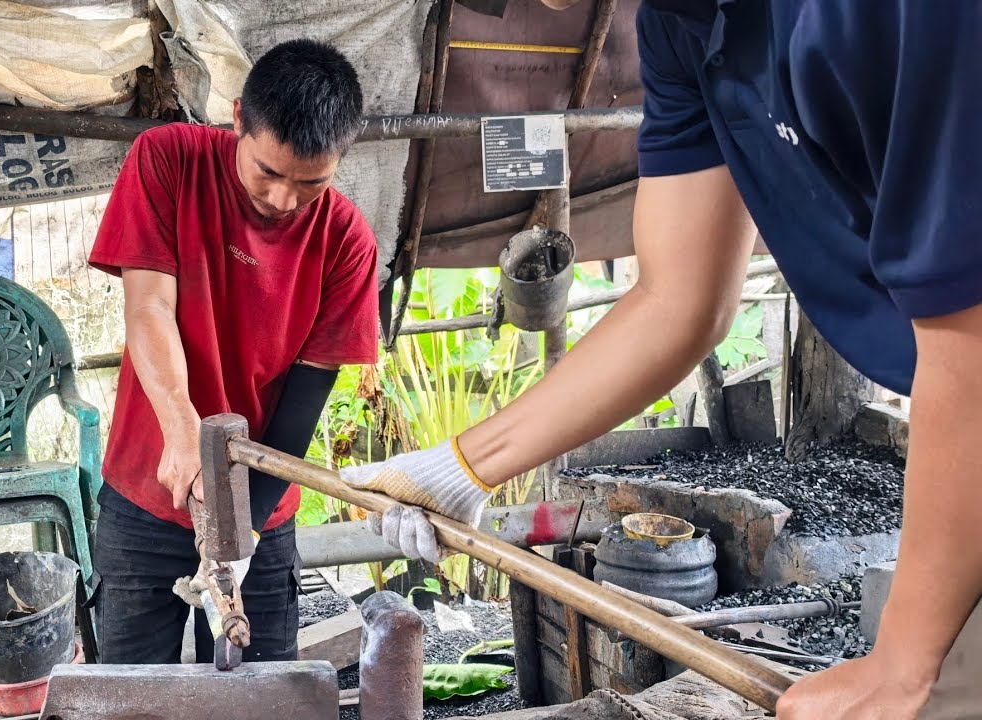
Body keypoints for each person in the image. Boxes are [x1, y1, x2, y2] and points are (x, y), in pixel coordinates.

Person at [342, 2, 982, 717]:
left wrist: (900, 664)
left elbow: (972, 346)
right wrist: (458, 467)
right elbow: (677, 301)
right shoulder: (678, 28)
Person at [87, 38, 378, 664]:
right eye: (267, 173)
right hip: (145, 496)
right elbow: (149, 308)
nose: (281, 200)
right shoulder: (168, 160)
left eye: (311, 183)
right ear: (239, 118)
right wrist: (181, 428)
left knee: (264, 690)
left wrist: (242, 531)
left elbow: (303, 405)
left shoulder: (347, 241)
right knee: (133, 698)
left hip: (263, 515)